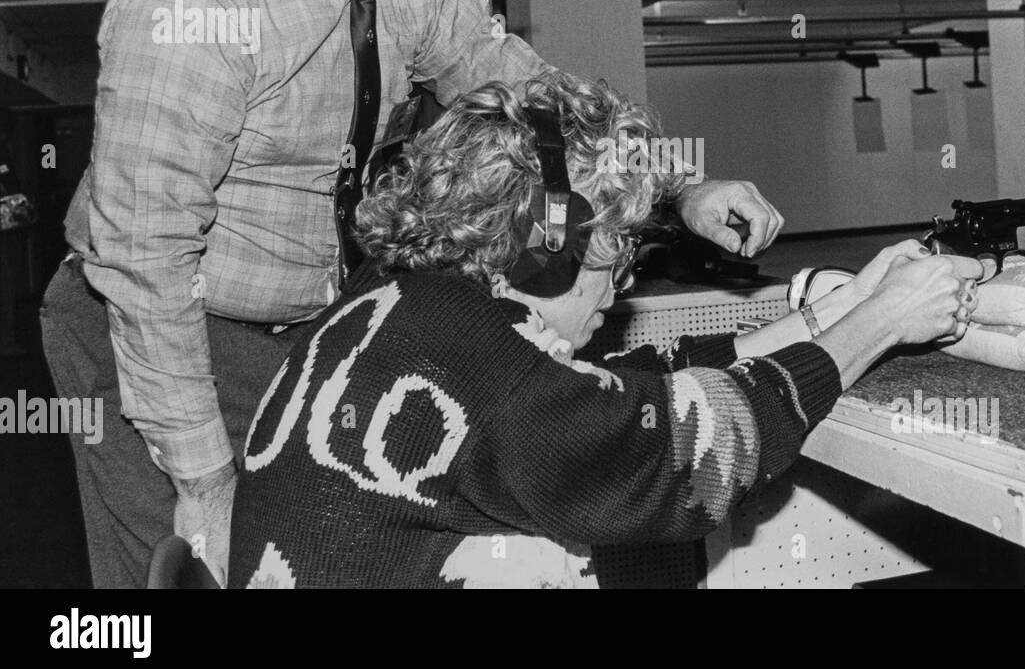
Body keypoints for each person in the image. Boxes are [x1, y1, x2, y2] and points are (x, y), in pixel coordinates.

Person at [40, 0, 781, 589]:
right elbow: (146, 262)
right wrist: (204, 482)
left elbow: (539, 98)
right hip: (152, 331)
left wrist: (682, 187)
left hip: (295, 318)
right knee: (193, 569)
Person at [227, 72, 982, 588]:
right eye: (616, 247)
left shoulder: (399, 300)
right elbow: (692, 456)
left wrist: (840, 310)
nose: (621, 282)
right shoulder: (484, 368)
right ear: (544, 241)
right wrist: (883, 323)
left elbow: (615, 392)